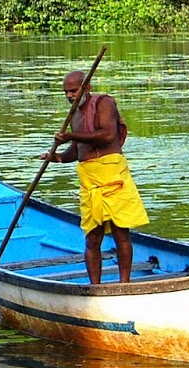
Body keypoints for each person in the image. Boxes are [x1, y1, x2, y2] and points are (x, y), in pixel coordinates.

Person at [42, 70, 149, 284]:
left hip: (111, 174)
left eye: (73, 91)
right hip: (89, 179)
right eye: (66, 92)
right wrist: (58, 158)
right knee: (92, 236)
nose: (69, 96)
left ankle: (124, 284)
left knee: (120, 232)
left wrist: (70, 135)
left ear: (87, 88)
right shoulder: (74, 114)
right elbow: (77, 149)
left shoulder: (103, 103)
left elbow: (107, 135)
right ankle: (95, 287)